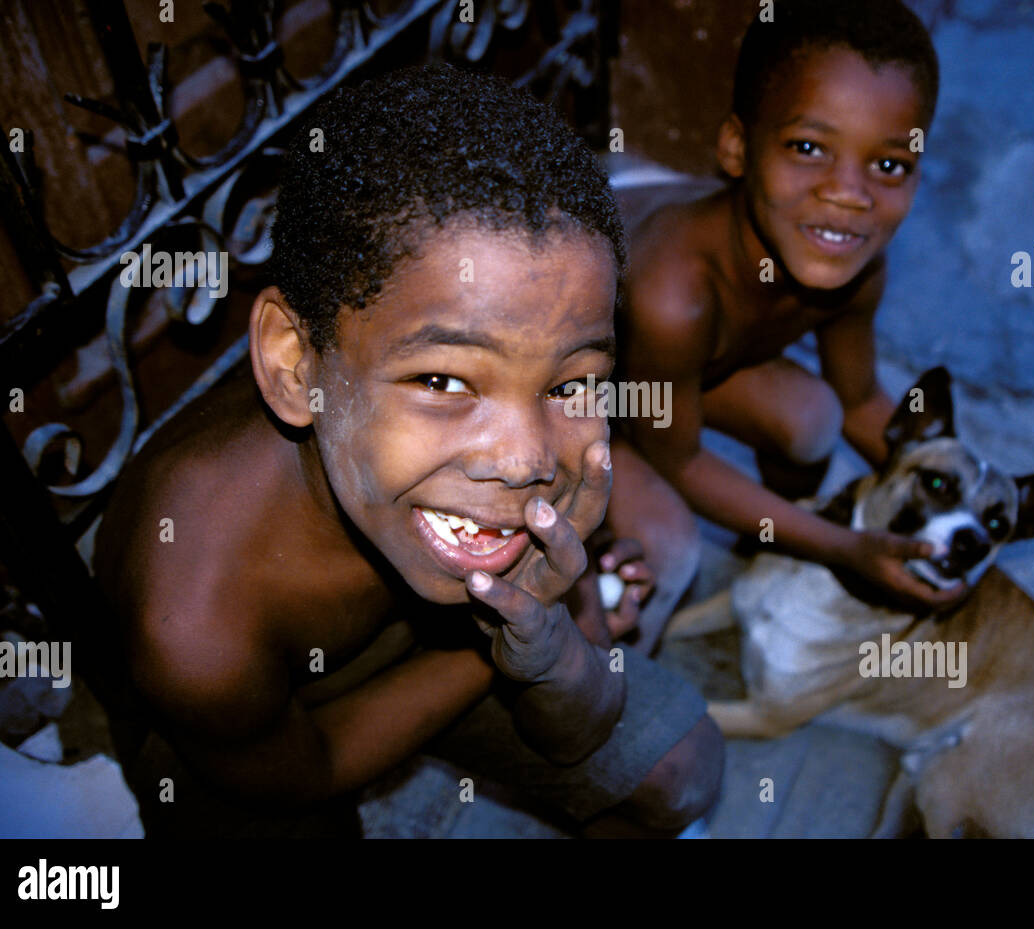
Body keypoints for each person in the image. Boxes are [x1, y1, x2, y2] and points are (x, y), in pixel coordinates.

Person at [93, 64, 723, 838]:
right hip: (271, 736)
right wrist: (492, 647)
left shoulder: (542, 472)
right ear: (297, 367)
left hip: (434, 648)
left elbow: (581, 727)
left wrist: (548, 637)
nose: (524, 458)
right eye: (442, 379)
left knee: (681, 766)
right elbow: (307, 767)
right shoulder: (195, 610)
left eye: (570, 383)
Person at [609, 0, 966, 648]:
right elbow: (677, 455)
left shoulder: (855, 263)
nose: (847, 194)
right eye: (808, 148)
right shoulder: (673, 291)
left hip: (674, 375)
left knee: (813, 420)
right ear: (738, 149)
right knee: (665, 549)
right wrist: (846, 547)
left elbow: (859, 399)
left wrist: (962, 489)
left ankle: (769, 545)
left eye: (889, 164)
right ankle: (612, 696)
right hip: (595, 382)